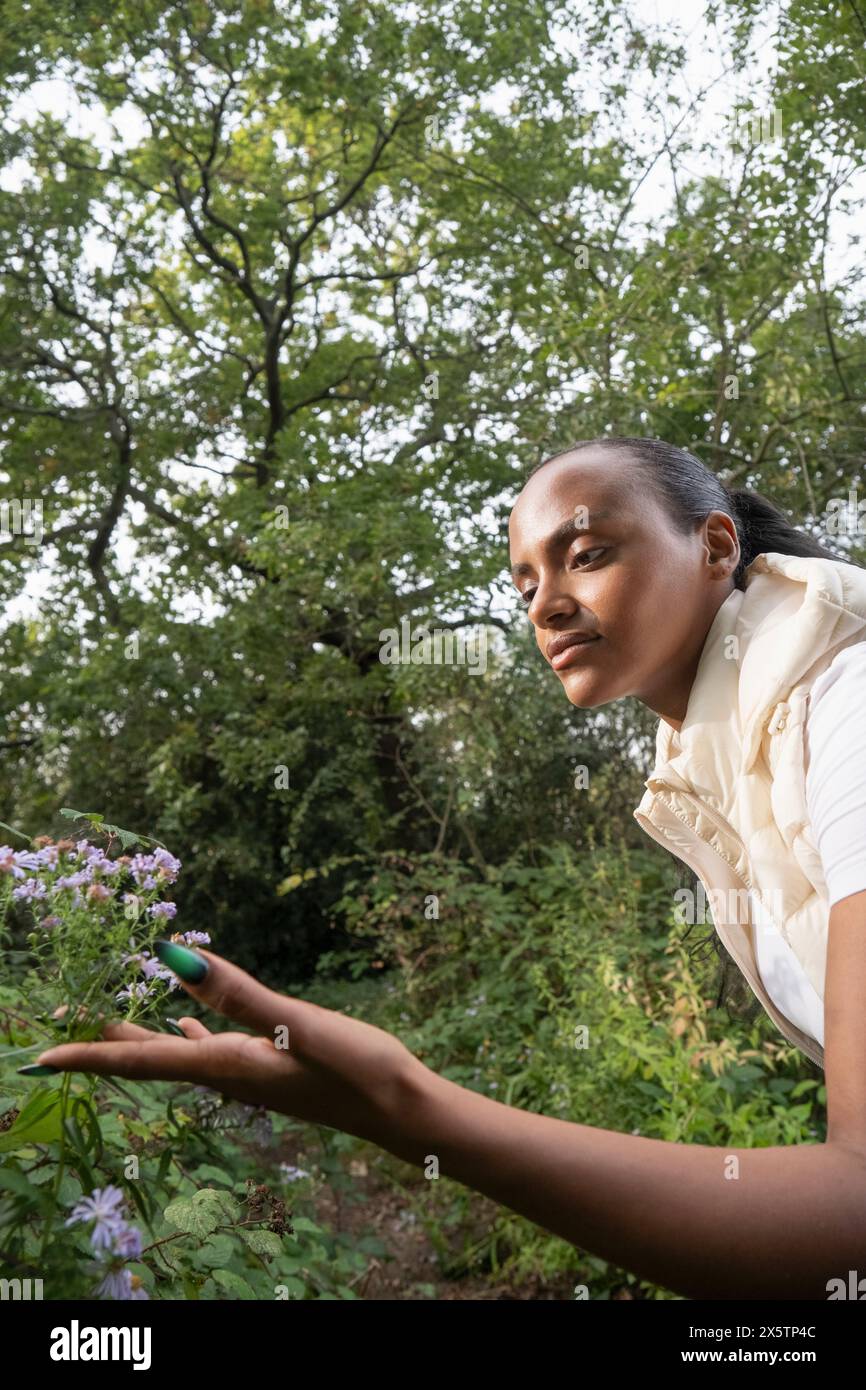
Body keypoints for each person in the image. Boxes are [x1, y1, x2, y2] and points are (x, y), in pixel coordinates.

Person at [23, 437, 866, 1300]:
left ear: (717, 547)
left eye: (586, 556)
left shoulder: (848, 710)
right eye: (526, 587)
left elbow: (854, 1204)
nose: (547, 606)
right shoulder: (720, 762)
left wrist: (403, 1107)